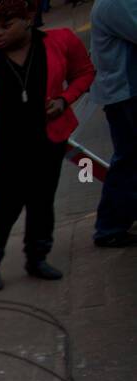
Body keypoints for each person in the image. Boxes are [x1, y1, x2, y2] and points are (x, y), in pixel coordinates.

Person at [0, 0, 96, 286]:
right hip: (4, 152)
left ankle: (37, 257)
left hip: (47, 143)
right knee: (6, 209)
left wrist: (64, 99)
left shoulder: (61, 42)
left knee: (42, 202)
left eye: (6, 26)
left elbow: (85, 73)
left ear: (27, 19)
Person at [90, 0, 137, 247]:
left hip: (124, 92)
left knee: (128, 158)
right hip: (126, 92)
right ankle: (109, 227)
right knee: (129, 159)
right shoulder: (116, 2)